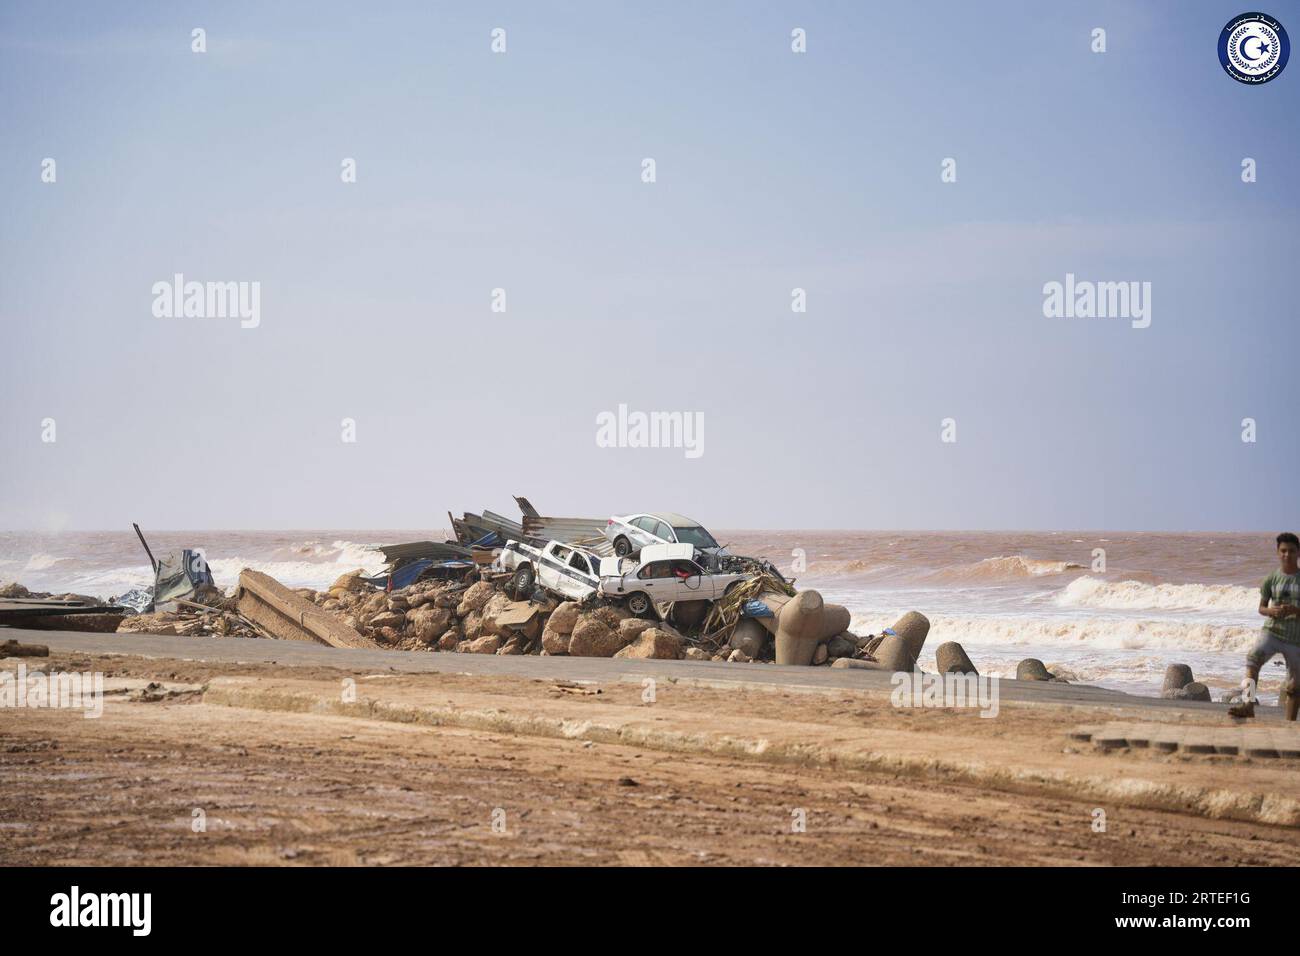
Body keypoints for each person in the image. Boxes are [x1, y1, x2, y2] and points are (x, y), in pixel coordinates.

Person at [1229, 532, 1300, 720]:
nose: (1287, 555)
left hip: (1296, 637)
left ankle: (1290, 722)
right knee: (1252, 660)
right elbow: (1261, 607)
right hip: (1273, 632)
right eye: (1283, 551)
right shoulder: (1271, 579)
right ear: (1278, 552)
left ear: (1298, 553)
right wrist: (1272, 611)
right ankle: (1248, 705)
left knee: (1294, 684)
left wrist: (1295, 610)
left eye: (1291, 551)